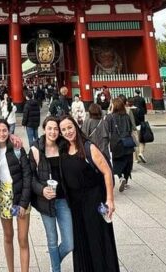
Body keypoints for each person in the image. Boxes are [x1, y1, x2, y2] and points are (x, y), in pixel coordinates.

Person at [58, 116, 119, 271]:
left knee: (98, 239)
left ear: (76, 126)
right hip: (75, 204)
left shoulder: (88, 147)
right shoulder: (63, 149)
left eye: (70, 127)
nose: (67, 132)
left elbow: (107, 172)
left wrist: (110, 199)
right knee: (81, 242)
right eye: (63, 129)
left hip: (94, 201)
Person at [29, 116, 73, 272]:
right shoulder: (36, 149)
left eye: (56, 129)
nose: (53, 132)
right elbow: (30, 177)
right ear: (44, 129)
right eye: (50, 128)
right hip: (45, 201)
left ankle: (54, 262)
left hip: (63, 200)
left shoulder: (64, 146)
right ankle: (55, 269)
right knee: (52, 240)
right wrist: (42, 190)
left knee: (69, 243)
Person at [0, 119, 32, 272]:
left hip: (20, 193)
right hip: (3, 195)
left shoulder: (17, 148)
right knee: (8, 236)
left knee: (23, 239)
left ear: (9, 131)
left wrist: (23, 203)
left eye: (4, 130)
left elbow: (27, 175)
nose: (2, 134)